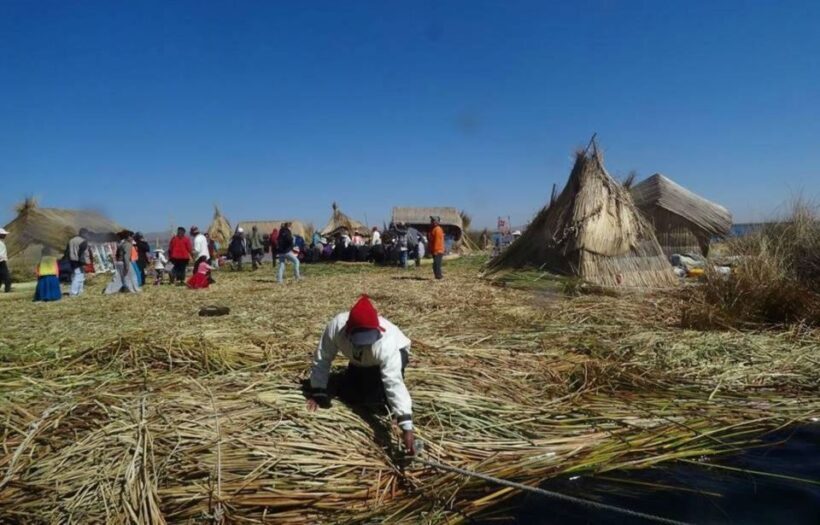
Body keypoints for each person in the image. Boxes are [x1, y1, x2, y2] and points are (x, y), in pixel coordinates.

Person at [307, 295, 415, 454]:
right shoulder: (337, 327)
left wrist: (406, 426)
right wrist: (317, 390)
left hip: (394, 354)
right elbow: (323, 357)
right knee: (351, 397)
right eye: (360, 341)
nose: (365, 345)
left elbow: (393, 381)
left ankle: (379, 395)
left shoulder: (387, 343)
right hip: (358, 360)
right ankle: (345, 381)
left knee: (377, 406)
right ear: (348, 331)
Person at [66, 228, 90, 296]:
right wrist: (85, 262)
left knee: (78, 275)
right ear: (83, 233)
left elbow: (67, 251)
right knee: (78, 276)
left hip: (71, 260)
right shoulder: (83, 241)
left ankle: (80, 291)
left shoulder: (71, 240)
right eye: (86, 234)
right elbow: (82, 253)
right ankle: (74, 292)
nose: (87, 235)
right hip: (79, 261)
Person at [0, 228, 11, 293]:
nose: (5, 235)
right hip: (1, 262)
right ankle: (7, 290)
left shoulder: (1, 243)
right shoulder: (0, 243)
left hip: (1, 261)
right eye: (3, 234)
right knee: (6, 276)